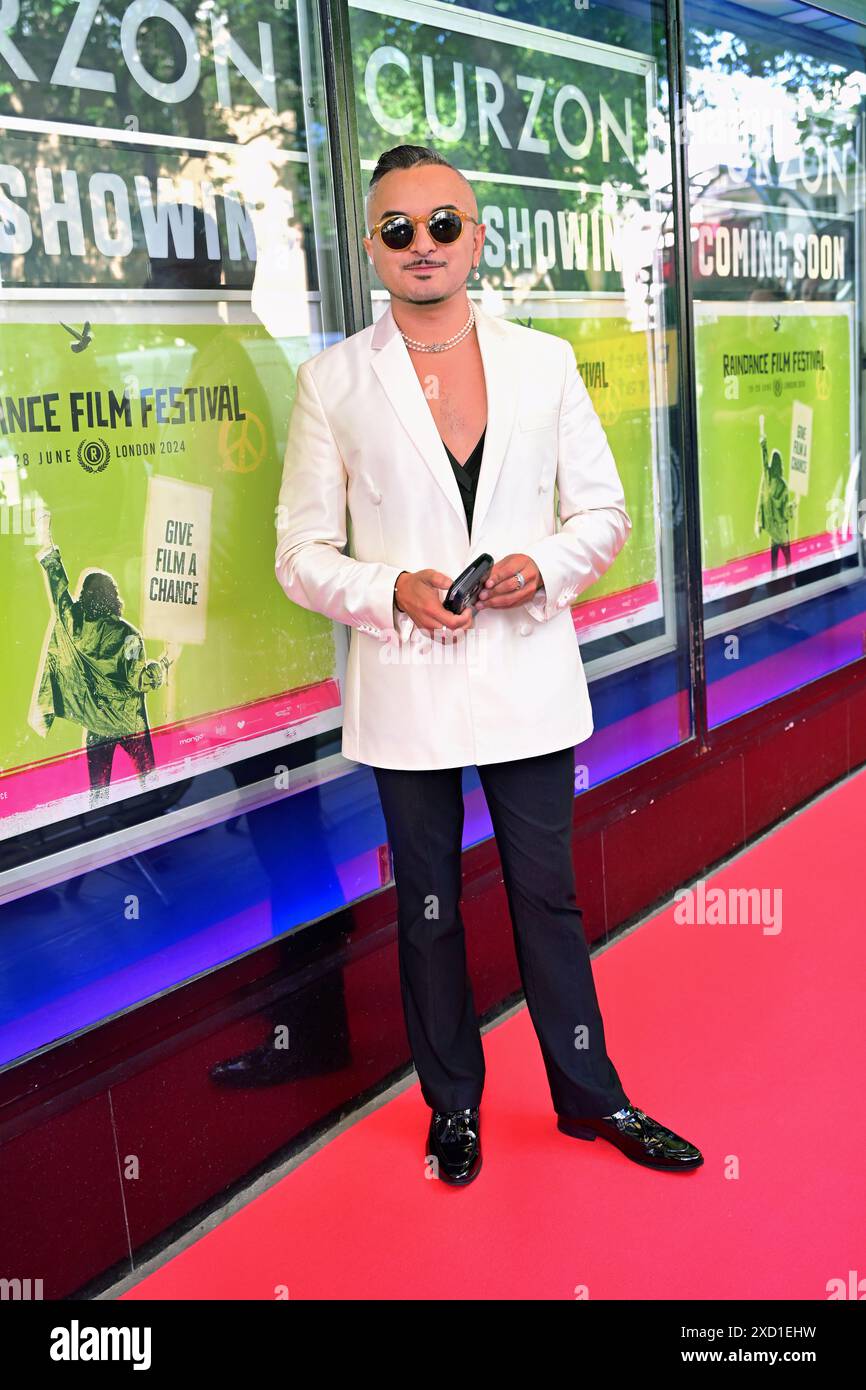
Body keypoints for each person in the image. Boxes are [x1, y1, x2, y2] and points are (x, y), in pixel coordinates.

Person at [274, 144, 703, 1185]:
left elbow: (602, 513)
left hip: (525, 678)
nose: (421, 246)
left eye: (441, 224)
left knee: (545, 898)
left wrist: (538, 566)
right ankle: (450, 1104)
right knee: (425, 906)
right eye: (397, 229)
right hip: (406, 685)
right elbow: (297, 553)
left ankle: (590, 1097)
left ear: (474, 234)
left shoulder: (541, 361)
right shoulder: (332, 381)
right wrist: (389, 591)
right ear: (370, 246)